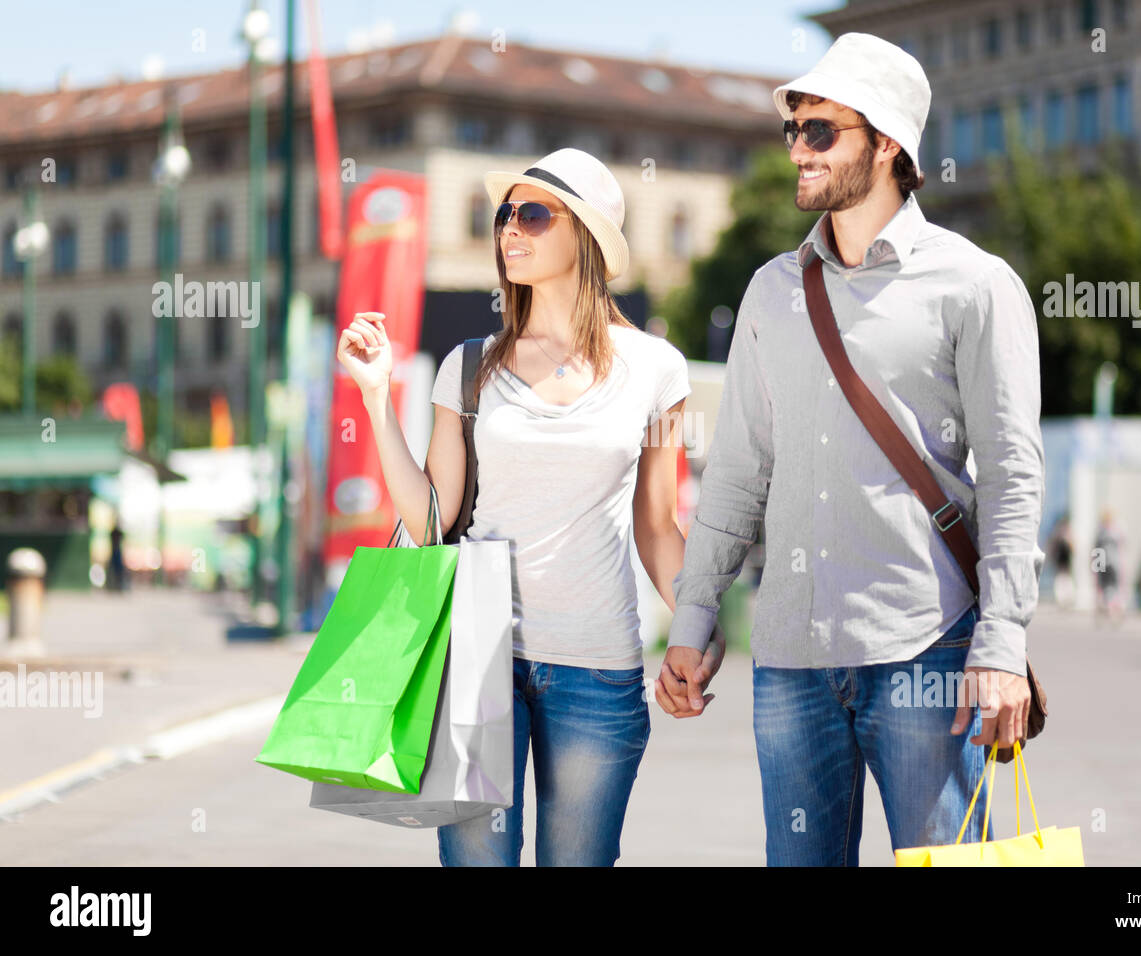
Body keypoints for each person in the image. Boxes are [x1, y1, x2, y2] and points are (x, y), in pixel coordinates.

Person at [657, 33, 1045, 865]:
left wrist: (1004, 641)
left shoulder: (975, 285)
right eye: (793, 130)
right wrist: (693, 615)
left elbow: (1013, 476)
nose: (798, 149)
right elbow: (737, 473)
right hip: (790, 659)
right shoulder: (771, 291)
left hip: (927, 648)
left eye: (820, 131)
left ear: (889, 142)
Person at [336, 148, 718, 866]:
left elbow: (657, 525)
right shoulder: (469, 365)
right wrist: (376, 396)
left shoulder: (656, 370)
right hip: (477, 659)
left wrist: (698, 627)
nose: (510, 227)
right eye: (504, 215)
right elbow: (429, 521)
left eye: (533, 214)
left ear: (587, 234)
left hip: (598, 668)